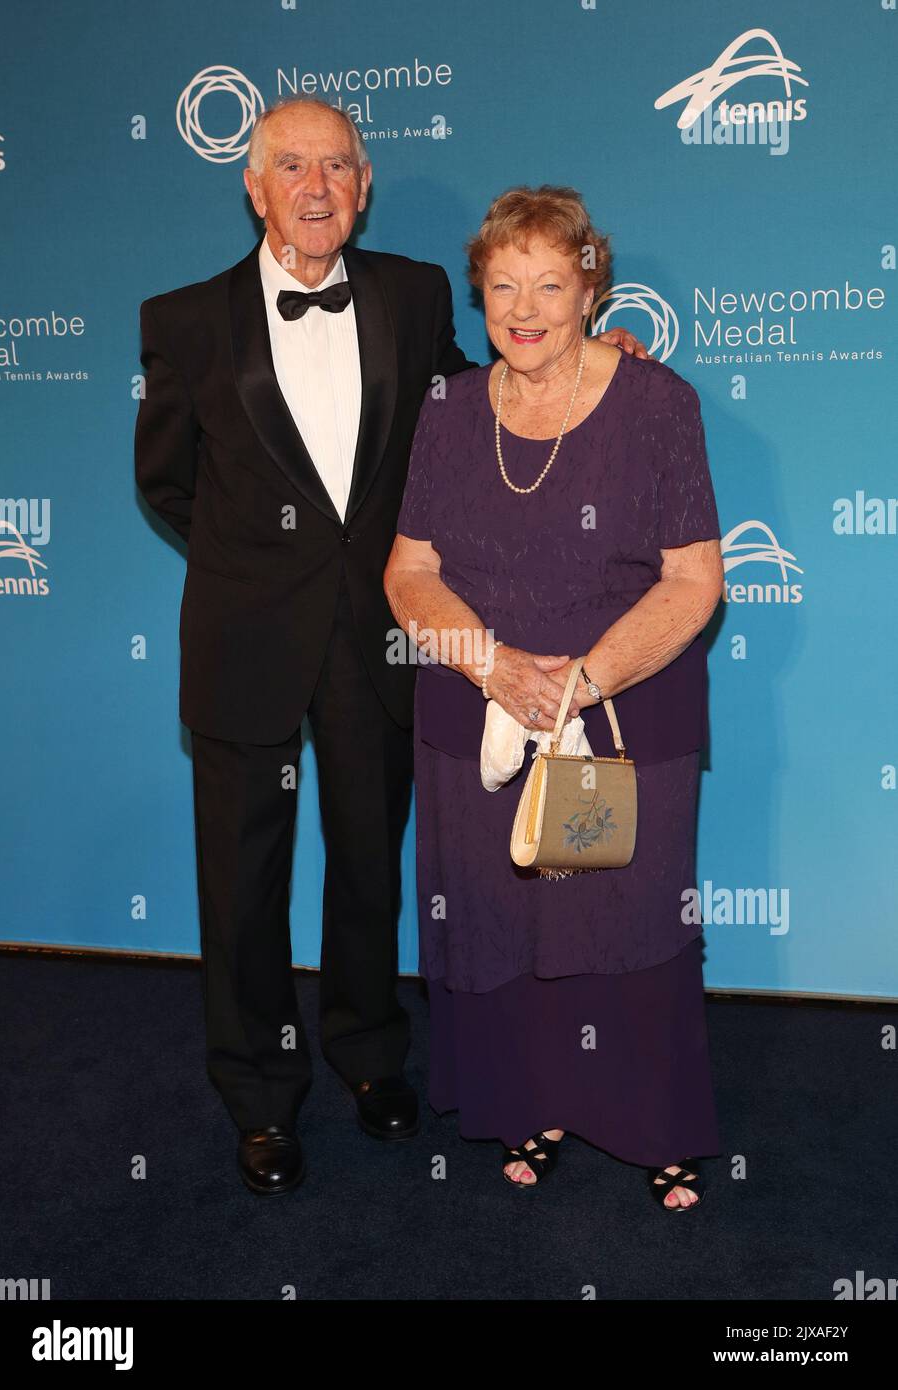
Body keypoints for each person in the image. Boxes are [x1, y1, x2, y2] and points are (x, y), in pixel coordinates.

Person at [134, 104, 646, 1195]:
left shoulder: (413, 296)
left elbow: (480, 404)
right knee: (241, 884)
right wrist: (260, 567)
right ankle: (260, 1096)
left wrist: (592, 361)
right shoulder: (183, 320)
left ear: (363, 187)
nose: (315, 186)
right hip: (245, 642)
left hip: (381, 639)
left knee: (369, 866)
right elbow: (167, 482)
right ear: (254, 187)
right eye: (290, 166)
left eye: (336, 165)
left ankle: (369, 1057)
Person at [384, 185, 725, 1210]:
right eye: (502, 286)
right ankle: (524, 1102)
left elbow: (694, 580)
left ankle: (648, 1123)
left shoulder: (658, 405)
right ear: (478, 295)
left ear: (590, 290)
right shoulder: (448, 411)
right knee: (500, 913)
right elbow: (409, 571)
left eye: (547, 284)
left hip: (624, 713)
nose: (523, 309)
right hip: (475, 711)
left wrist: (580, 681)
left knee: (624, 915)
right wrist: (496, 668)